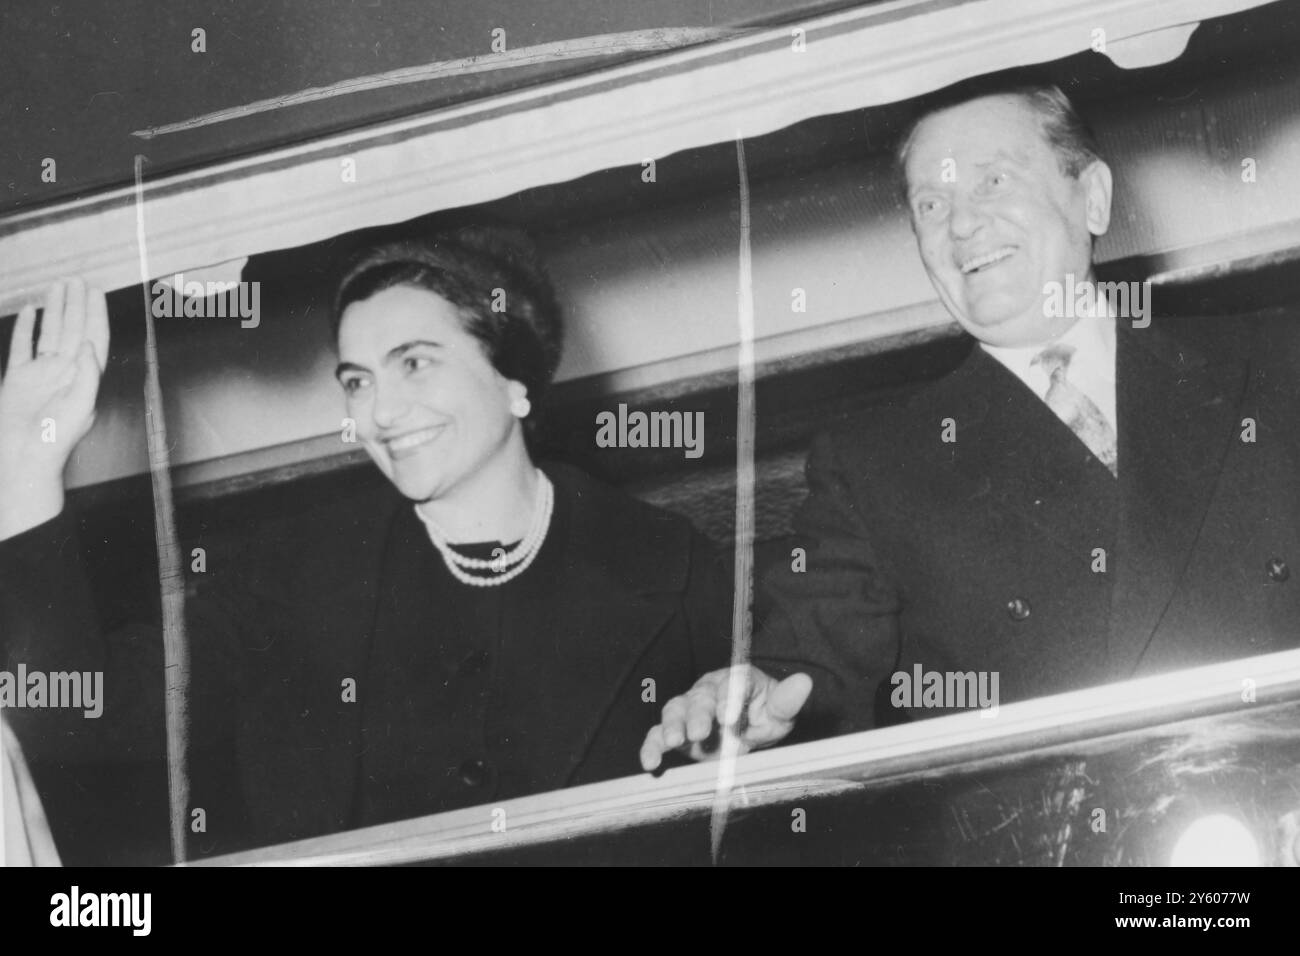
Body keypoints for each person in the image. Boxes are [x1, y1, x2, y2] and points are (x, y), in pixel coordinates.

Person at [0, 226, 729, 858]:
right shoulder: (295, 579)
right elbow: (77, 715)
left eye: (414, 362)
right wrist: (28, 460)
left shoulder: (667, 564)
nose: (379, 412)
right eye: (356, 381)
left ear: (515, 380)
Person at [641, 74, 1300, 771]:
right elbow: (809, 666)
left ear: (1094, 198)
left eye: (992, 183)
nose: (960, 225)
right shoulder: (875, 466)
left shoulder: (1274, 358)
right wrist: (750, 698)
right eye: (932, 203)